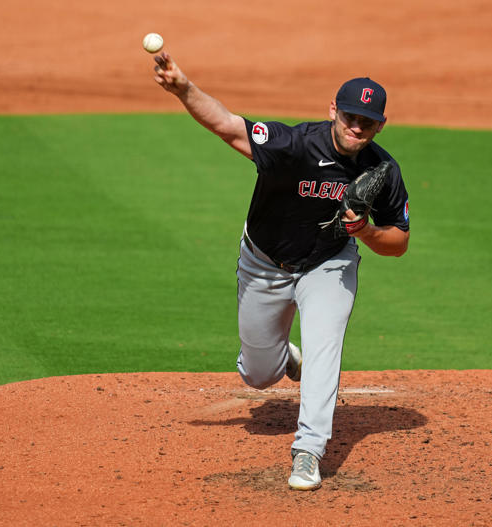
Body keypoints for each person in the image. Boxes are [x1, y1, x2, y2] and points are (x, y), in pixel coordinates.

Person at [152, 51, 410, 491]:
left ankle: (308, 450)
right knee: (258, 375)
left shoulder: (382, 170)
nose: (356, 127)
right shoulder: (293, 145)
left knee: (325, 345)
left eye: (367, 122)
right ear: (333, 110)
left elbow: (399, 242)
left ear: (380, 125)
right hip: (263, 263)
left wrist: (362, 230)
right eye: (350, 116)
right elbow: (228, 125)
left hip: (329, 262)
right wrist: (184, 89)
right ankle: (282, 357)